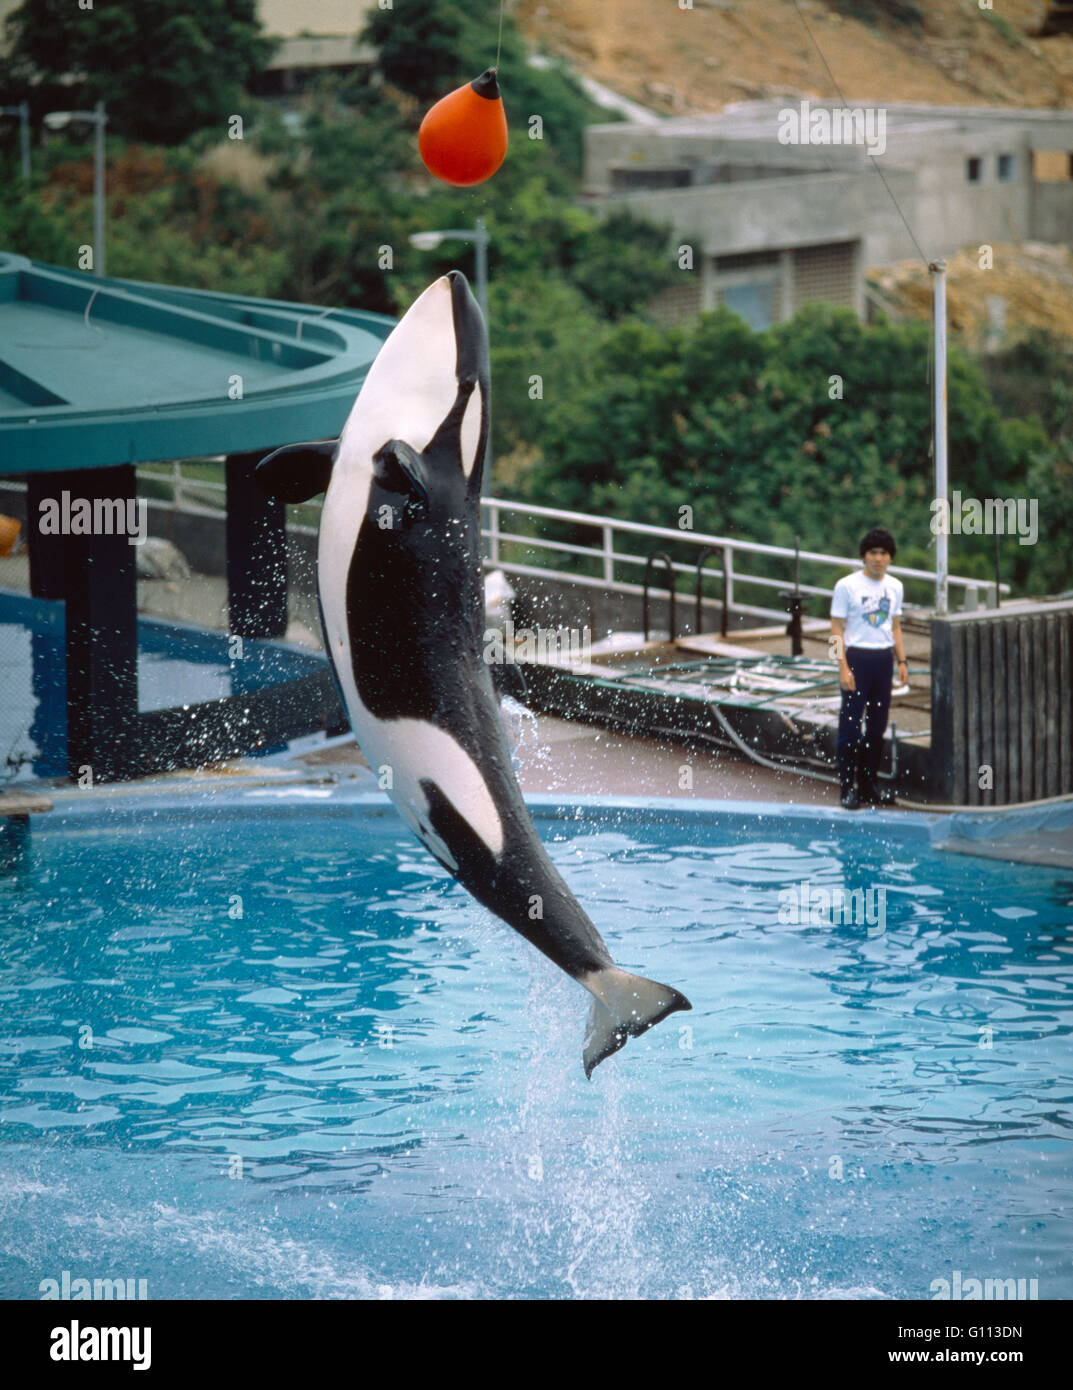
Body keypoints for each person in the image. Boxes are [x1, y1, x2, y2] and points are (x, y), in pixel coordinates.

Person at [829, 528, 908, 810]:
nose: (878, 558)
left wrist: (902, 660)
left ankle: (869, 785)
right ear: (864, 556)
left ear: (890, 558)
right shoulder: (846, 586)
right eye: (873, 553)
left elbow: (895, 626)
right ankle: (846, 787)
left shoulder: (895, 586)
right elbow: (836, 630)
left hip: (882, 660)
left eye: (884, 553)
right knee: (850, 726)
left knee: (876, 727)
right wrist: (842, 667)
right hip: (856, 660)